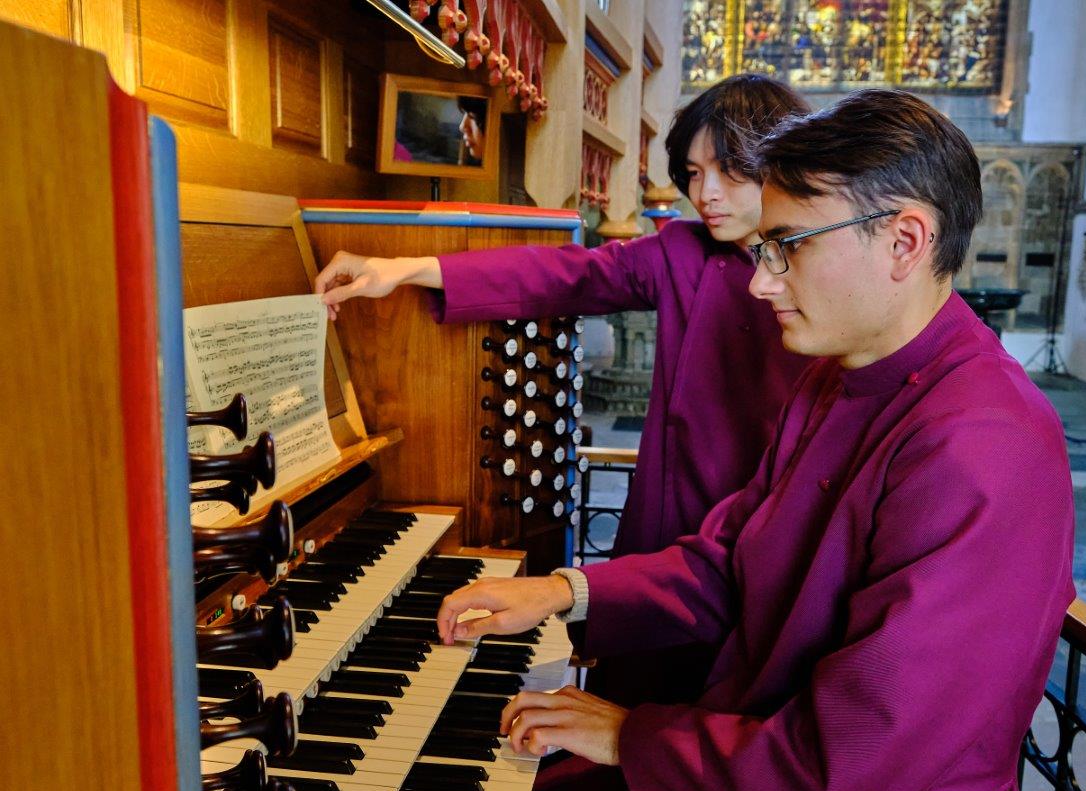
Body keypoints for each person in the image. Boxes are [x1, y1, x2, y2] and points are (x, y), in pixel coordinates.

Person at [433, 89, 1076, 791]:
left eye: (789, 246)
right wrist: (560, 590)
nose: (761, 280)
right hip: (760, 747)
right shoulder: (836, 376)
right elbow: (733, 558)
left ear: (905, 241)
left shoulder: (985, 444)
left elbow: (858, 757)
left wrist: (634, 736)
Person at [315, 74, 812, 706]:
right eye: (692, 172)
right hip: (666, 536)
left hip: (766, 552)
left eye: (728, 172)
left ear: (782, 166)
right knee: (630, 715)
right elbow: (565, 275)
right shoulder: (683, 253)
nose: (704, 194)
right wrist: (407, 269)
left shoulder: (824, 276)